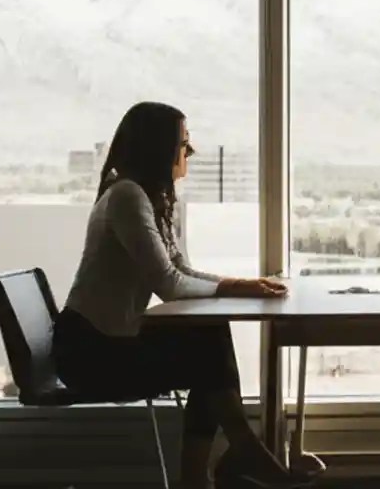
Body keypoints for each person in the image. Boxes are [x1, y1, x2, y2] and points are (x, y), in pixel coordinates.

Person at [52, 101, 310, 489]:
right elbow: (169, 283)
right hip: (90, 353)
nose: (190, 153)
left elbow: (182, 272)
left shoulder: (149, 197)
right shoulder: (126, 196)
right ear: (158, 148)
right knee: (206, 348)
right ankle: (229, 458)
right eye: (183, 144)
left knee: (208, 335)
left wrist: (241, 284)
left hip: (109, 340)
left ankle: (223, 462)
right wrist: (237, 287)